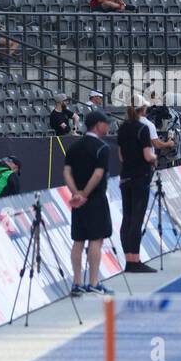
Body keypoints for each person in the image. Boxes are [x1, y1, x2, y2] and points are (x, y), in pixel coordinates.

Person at [64, 111, 114, 295]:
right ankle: (93, 281)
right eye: (106, 123)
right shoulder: (102, 148)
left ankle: (77, 282)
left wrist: (75, 193)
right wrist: (85, 193)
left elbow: (67, 172)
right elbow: (98, 174)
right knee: (95, 239)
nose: (108, 127)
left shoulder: (74, 147)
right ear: (98, 125)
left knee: (78, 240)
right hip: (95, 199)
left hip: (78, 201)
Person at [116, 99, 158, 271]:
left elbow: (121, 156)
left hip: (125, 175)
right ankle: (135, 259)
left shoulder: (123, 128)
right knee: (136, 219)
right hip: (140, 176)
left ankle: (128, 259)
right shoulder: (143, 129)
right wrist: (156, 158)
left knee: (127, 217)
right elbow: (148, 155)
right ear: (144, 110)